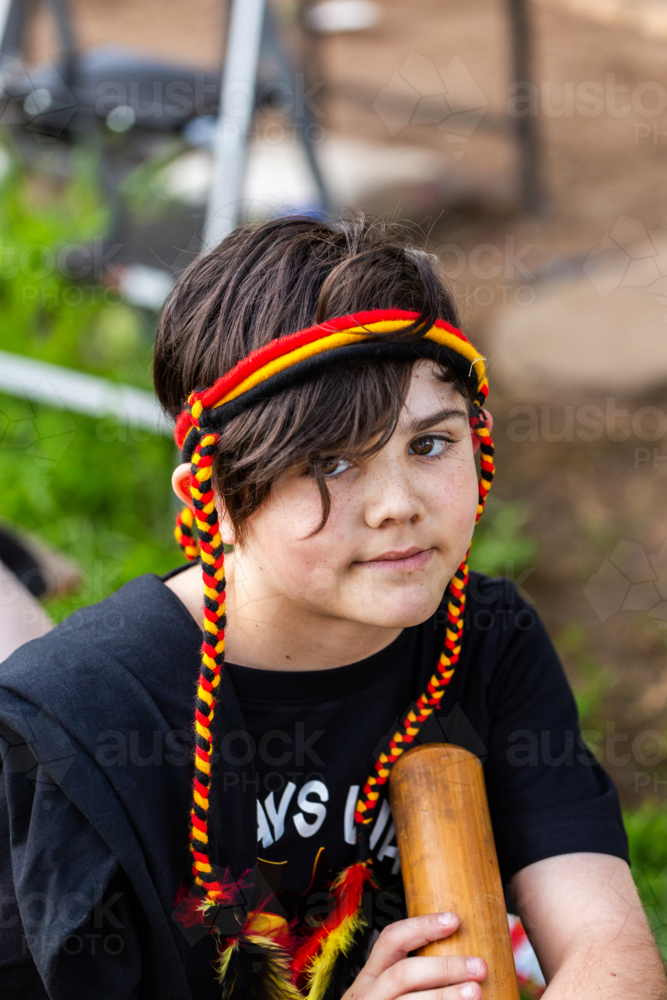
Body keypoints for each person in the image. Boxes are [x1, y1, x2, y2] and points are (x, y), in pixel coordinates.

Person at [0, 216, 664, 1000]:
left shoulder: (482, 637)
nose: (397, 505)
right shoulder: (77, 730)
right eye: (330, 463)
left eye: (428, 444)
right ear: (213, 499)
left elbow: (611, 951)